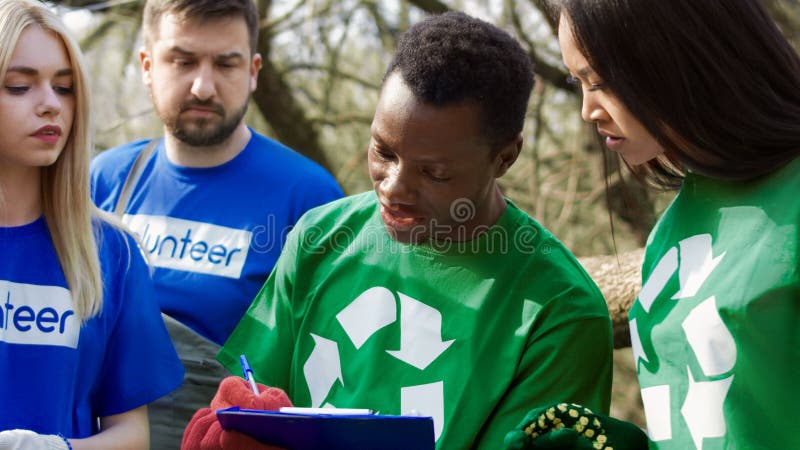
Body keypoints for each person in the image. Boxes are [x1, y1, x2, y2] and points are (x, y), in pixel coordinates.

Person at [199, 11, 614, 450]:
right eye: (383, 150)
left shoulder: (560, 312)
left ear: (505, 158)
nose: (394, 188)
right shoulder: (320, 238)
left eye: (434, 173)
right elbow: (246, 405)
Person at [509, 0, 800, 449]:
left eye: (599, 81)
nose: (587, 109)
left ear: (674, 56)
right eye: (577, 82)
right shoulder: (673, 226)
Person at [89, 0, 343, 446]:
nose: (203, 87)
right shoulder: (101, 182)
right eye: (182, 61)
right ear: (148, 65)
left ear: (254, 71)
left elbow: (330, 376)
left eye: (226, 64)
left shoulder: (309, 198)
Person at [0, 1, 184, 449]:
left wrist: (54, 449)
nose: (49, 105)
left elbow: (132, 434)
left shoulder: (112, 252)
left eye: (63, 88)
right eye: (20, 86)